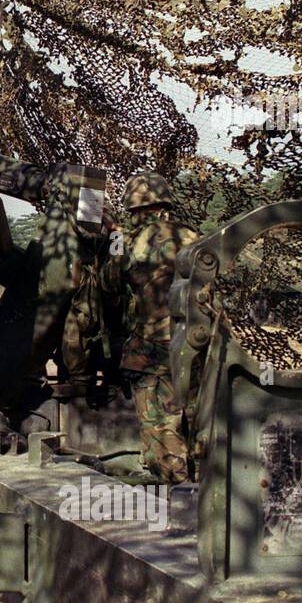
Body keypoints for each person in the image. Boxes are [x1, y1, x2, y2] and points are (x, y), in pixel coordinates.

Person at [102, 172, 199, 483]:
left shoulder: (129, 242)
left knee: (162, 432)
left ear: (134, 210)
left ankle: (176, 501)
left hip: (154, 353)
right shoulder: (195, 238)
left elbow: (109, 283)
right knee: (198, 424)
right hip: (198, 349)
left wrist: (114, 238)